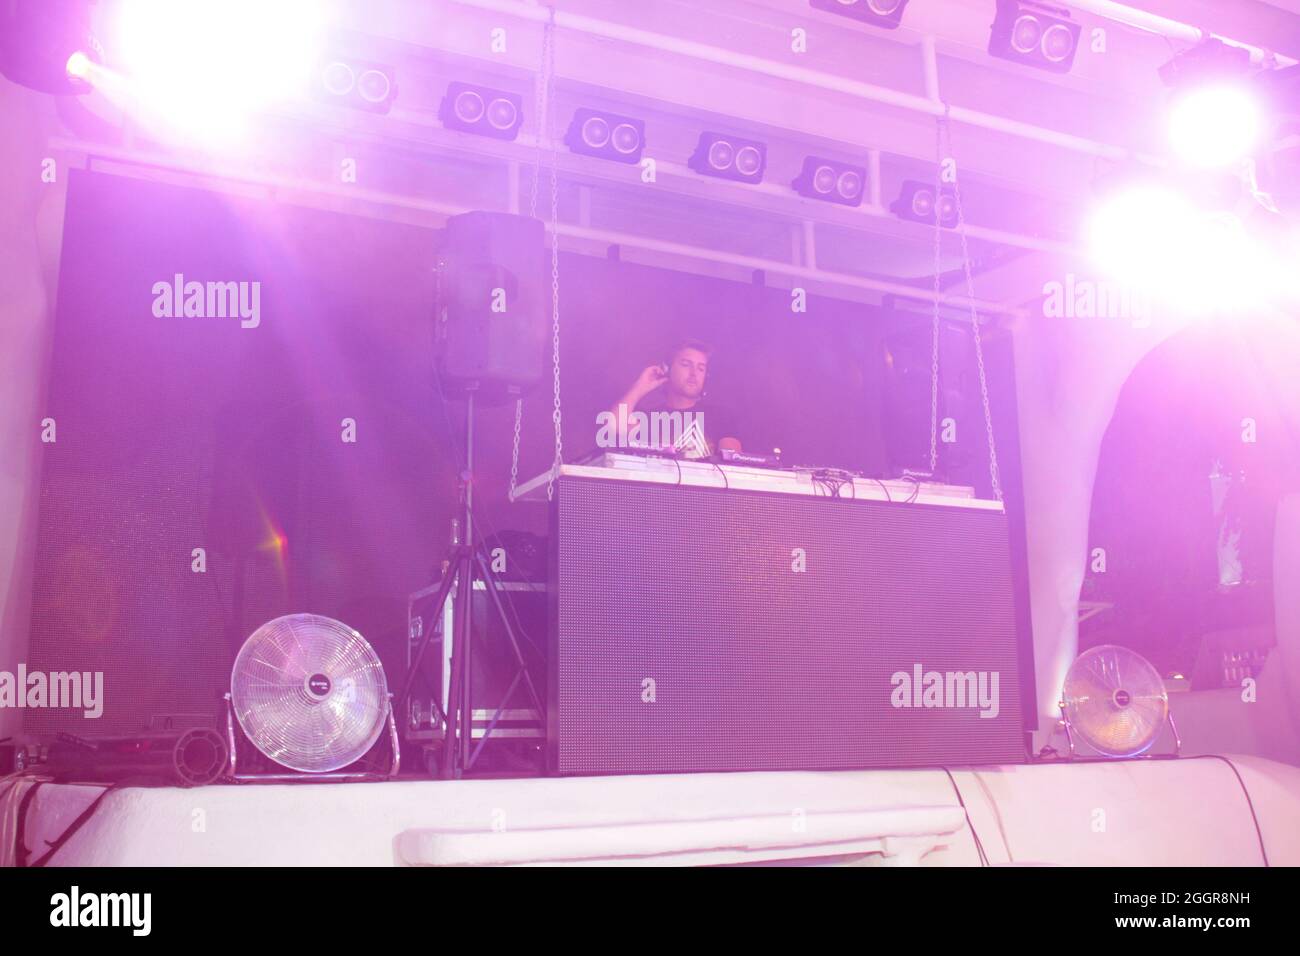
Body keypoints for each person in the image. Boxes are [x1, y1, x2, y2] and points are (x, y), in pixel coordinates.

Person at [606, 339, 740, 458]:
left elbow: (732, 464)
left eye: (700, 368)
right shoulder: (649, 419)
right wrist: (640, 387)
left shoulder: (721, 417)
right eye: (686, 364)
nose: (694, 373)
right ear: (667, 369)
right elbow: (613, 427)